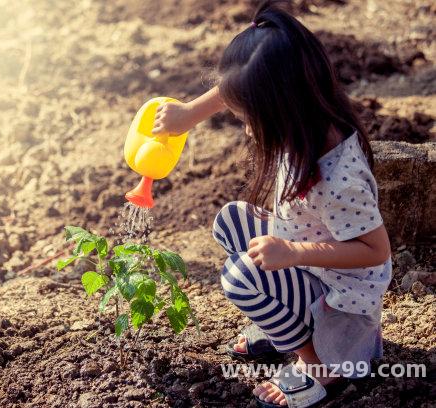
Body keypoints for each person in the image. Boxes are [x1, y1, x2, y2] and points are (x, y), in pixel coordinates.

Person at [152, 1, 392, 407]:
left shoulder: (338, 179)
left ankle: (319, 362)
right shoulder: (302, 117)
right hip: (310, 262)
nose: (246, 126)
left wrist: (293, 252)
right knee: (231, 222)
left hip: (342, 302)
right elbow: (236, 88)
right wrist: (188, 115)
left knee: (239, 277)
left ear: (280, 106)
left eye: (250, 117)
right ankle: (288, 320)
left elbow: (376, 251)